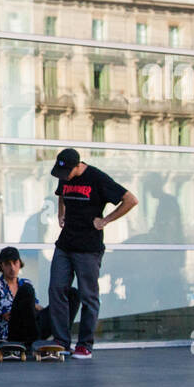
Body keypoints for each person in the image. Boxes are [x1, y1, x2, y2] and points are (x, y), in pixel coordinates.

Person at [48, 148, 138, 359]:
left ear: (78, 166)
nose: (64, 179)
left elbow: (131, 200)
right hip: (64, 245)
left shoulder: (97, 178)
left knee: (88, 295)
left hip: (88, 249)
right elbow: (61, 195)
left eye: (67, 174)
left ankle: (85, 344)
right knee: (57, 289)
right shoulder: (64, 175)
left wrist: (106, 220)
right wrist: (61, 214)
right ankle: (61, 341)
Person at [0, 246, 79, 348]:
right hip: (14, 333)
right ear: (1, 266)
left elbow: (36, 309)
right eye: (7, 264)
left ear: (19, 263)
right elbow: (5, 316)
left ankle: (62, 340)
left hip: (35, 327)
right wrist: (29, 307)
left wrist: (33, 308)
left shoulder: (25, 282)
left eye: (15, 263)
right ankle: (34, 341)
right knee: (26, 290)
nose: (12, 268)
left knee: (73, 294)